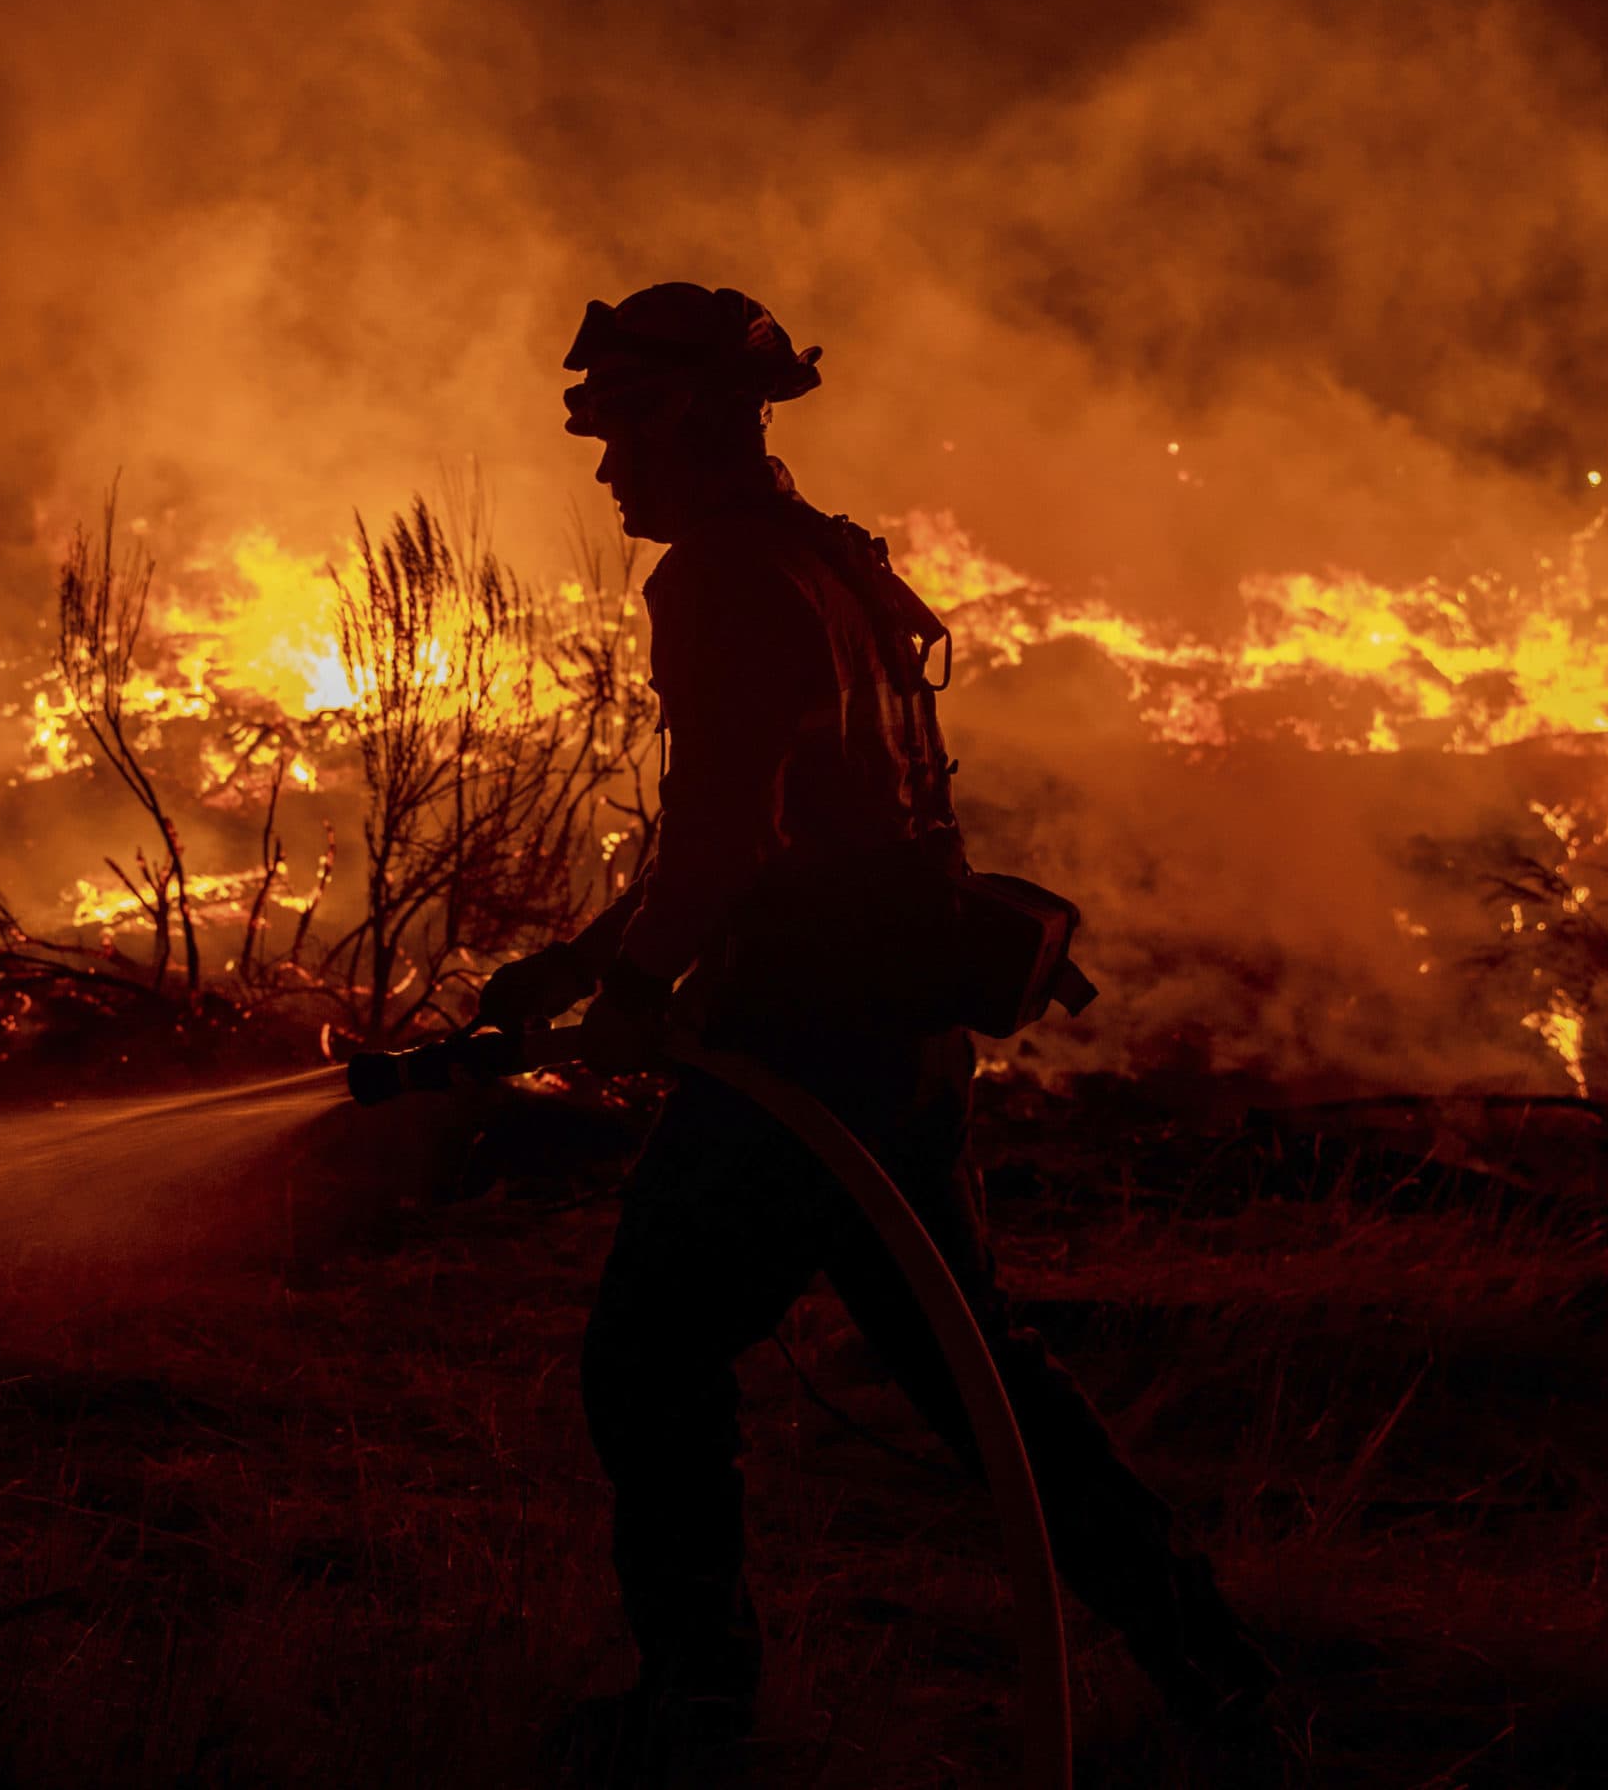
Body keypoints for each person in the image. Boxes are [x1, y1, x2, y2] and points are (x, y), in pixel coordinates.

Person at [483, 283, 1276, 1778]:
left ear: (695, 421)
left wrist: (642, 991)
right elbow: (774, 829)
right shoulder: (829, 562)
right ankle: (1213, 1668)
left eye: (616, 432)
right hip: (899, 1040)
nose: (602, 472)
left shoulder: (718, 577)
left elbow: (723, 835)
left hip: (802, 1049)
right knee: (981, 1376)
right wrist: (577, 964)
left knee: (647, 1360)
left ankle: (695, 1714)